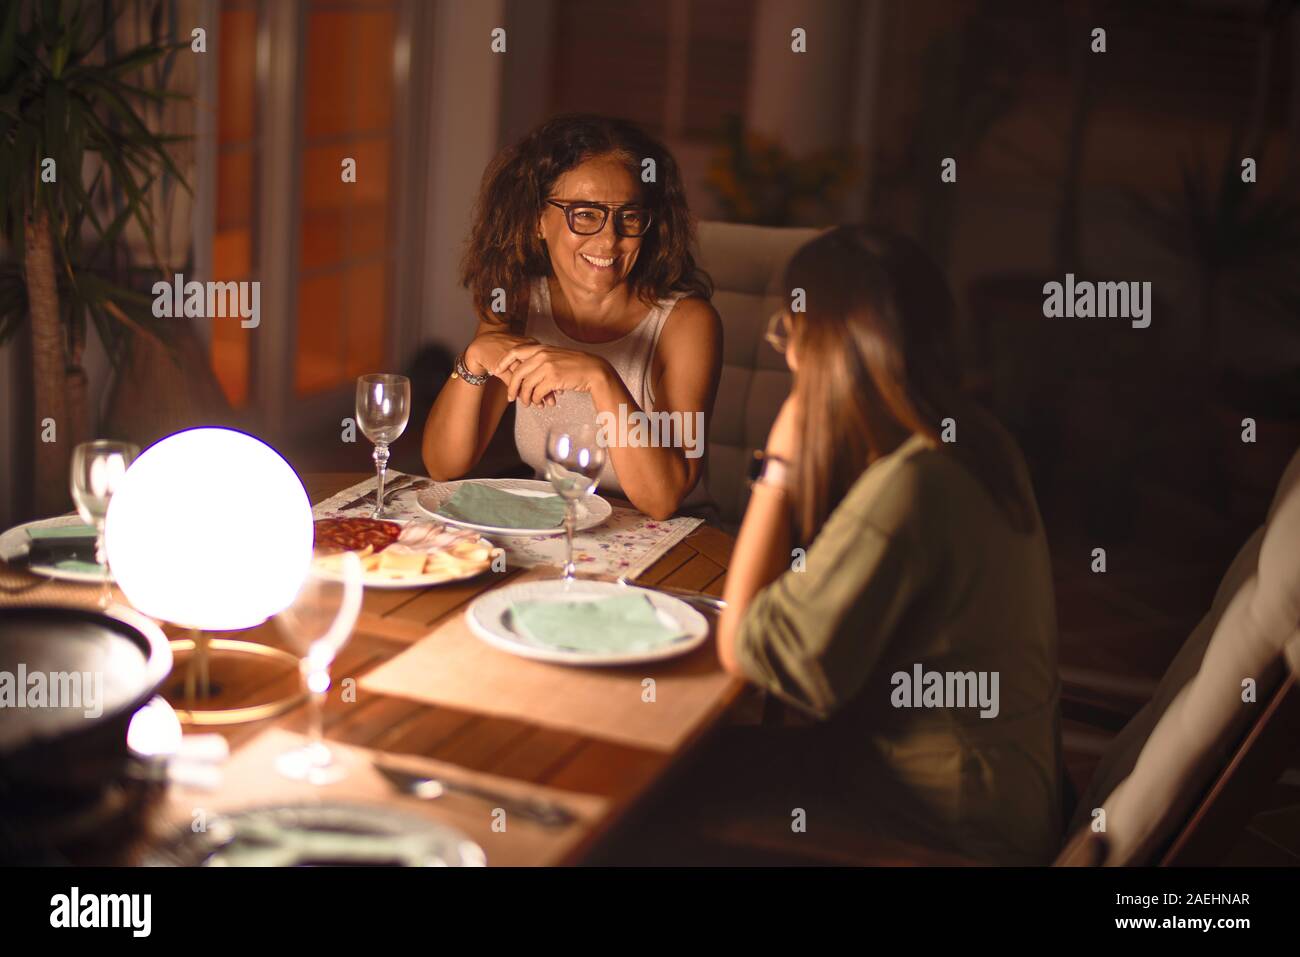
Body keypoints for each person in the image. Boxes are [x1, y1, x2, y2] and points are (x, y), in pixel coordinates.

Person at [714, 226, 1065, 865]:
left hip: (937, 834)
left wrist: (780, 462)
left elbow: (745, 647)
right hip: (1004, 796)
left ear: (824, 346)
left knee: (662, 795)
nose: (786, 355)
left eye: (788, 335)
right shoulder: (979, 441)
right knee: (705, 759)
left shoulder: (910, 488)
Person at [421, 113, 721, 521]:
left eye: (628, 216)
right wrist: (473, 358)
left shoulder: (689, 324)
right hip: (558, 527)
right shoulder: (517, 301)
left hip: (670, 543)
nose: (609, 239)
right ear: (537, 220)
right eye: (585, 214)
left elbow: (663, 499)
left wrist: (600, 378)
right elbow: (443, 466)